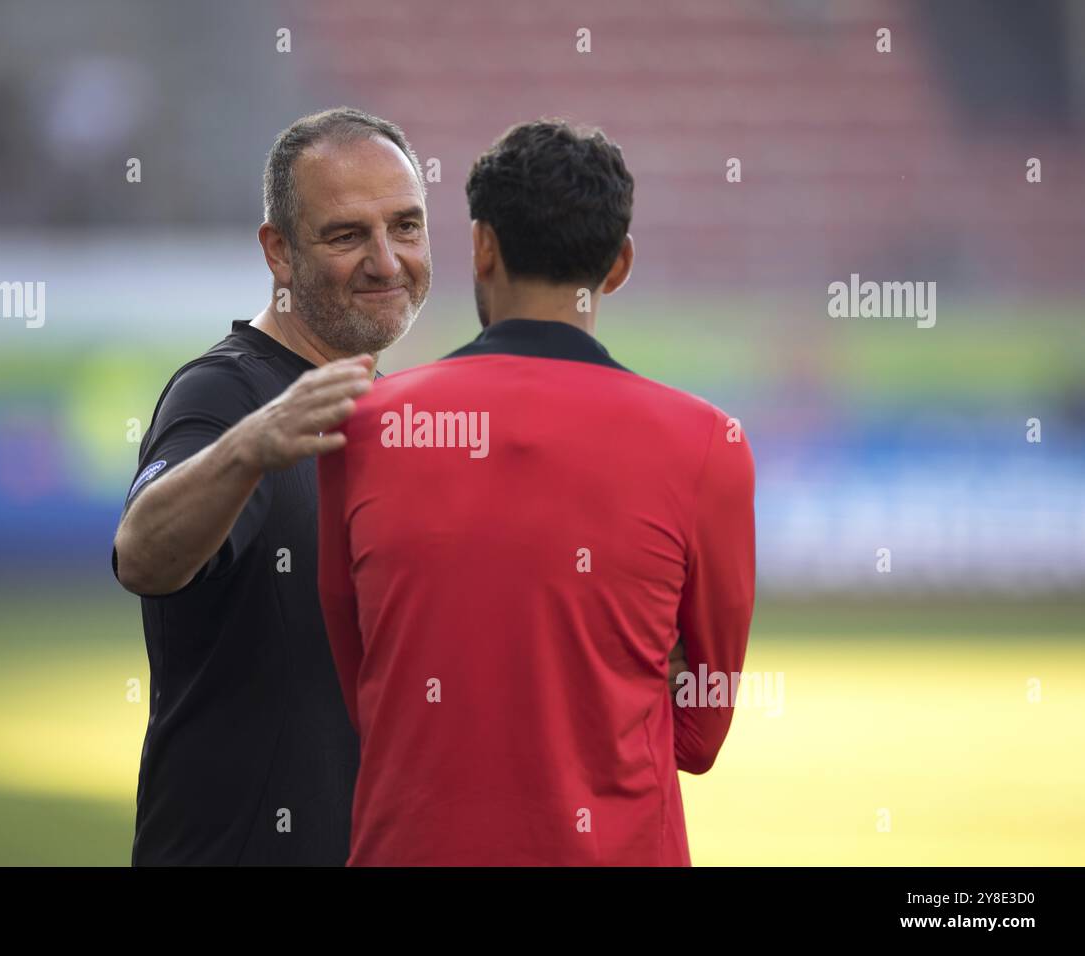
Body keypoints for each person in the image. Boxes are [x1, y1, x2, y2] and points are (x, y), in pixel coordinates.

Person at [317, 119, 754, 866]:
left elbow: (363, 688)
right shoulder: (707, 442)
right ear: (618, 265)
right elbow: (700, 732)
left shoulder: (364, 423)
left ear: (482, 245)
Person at [112, 107, 431, 865]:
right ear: (278, 252)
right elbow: (142, 555)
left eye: (407, 226)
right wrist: (249, 447)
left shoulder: (388, 409)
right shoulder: (227, 394)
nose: (387, 261)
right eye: (347, 235)